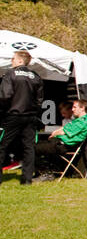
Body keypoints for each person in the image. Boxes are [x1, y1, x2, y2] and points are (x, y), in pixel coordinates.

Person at [0, 50, 46, 186]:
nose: (11, 61)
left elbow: (4, 96)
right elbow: (40, 100)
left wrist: (3, 111)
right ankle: (27, 180)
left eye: (13, 59)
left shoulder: (11, 74)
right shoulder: (36, 76)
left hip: (13, 115)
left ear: (20, 61)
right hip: (30, 117)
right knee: (29, 148)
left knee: (2, 146)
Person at [36, 97, 87, 173]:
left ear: (82, 108)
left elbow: (63, 131)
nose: (72, 109)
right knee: (35, 145)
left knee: (33, 149)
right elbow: (63, 129)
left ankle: (45, 172)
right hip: (59, 143)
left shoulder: (82, 122)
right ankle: (45, 170)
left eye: (75, 107)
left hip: (65, 146)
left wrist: (55, 133)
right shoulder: (77, 120)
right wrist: (56, 133)